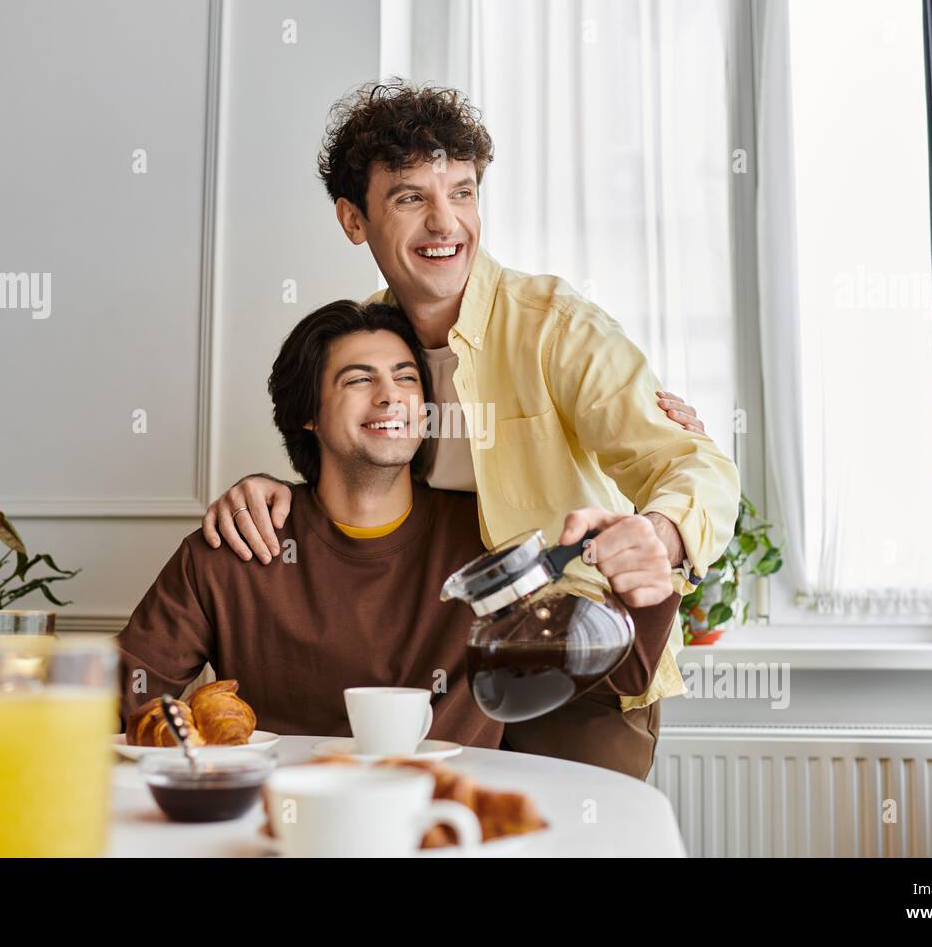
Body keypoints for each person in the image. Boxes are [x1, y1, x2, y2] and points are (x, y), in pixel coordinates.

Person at [200, 81, 741, 779]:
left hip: (573, 667)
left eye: (461, 192)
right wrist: (272, 493)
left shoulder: (558, 326)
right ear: (353, 219)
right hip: (431, 673)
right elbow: (350, 468)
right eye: (410, 197)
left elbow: (690, 463)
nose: (445, 222)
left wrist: (661, 533)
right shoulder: (361, 339)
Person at [116, 301, 677, 750]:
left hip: (448, 829)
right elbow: (121, 693)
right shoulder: (235, 547)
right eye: (358, 380)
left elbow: (617, 677)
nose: (391, 396)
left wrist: (646, 579)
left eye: (406, 378)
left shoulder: (486, 542)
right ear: (307, 413)